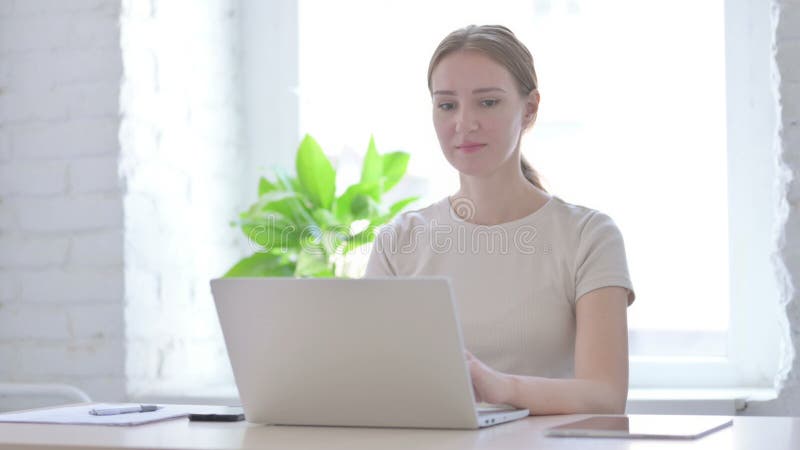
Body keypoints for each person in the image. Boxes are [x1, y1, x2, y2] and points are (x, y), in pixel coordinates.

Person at [364, 24, 636, 415]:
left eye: (487, 103)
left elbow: (605, 394)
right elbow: (370, 381)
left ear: (529, 109)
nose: (464, 123)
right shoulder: (398, 242)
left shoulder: (589, 236)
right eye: (447, 105)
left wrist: (499, 386)